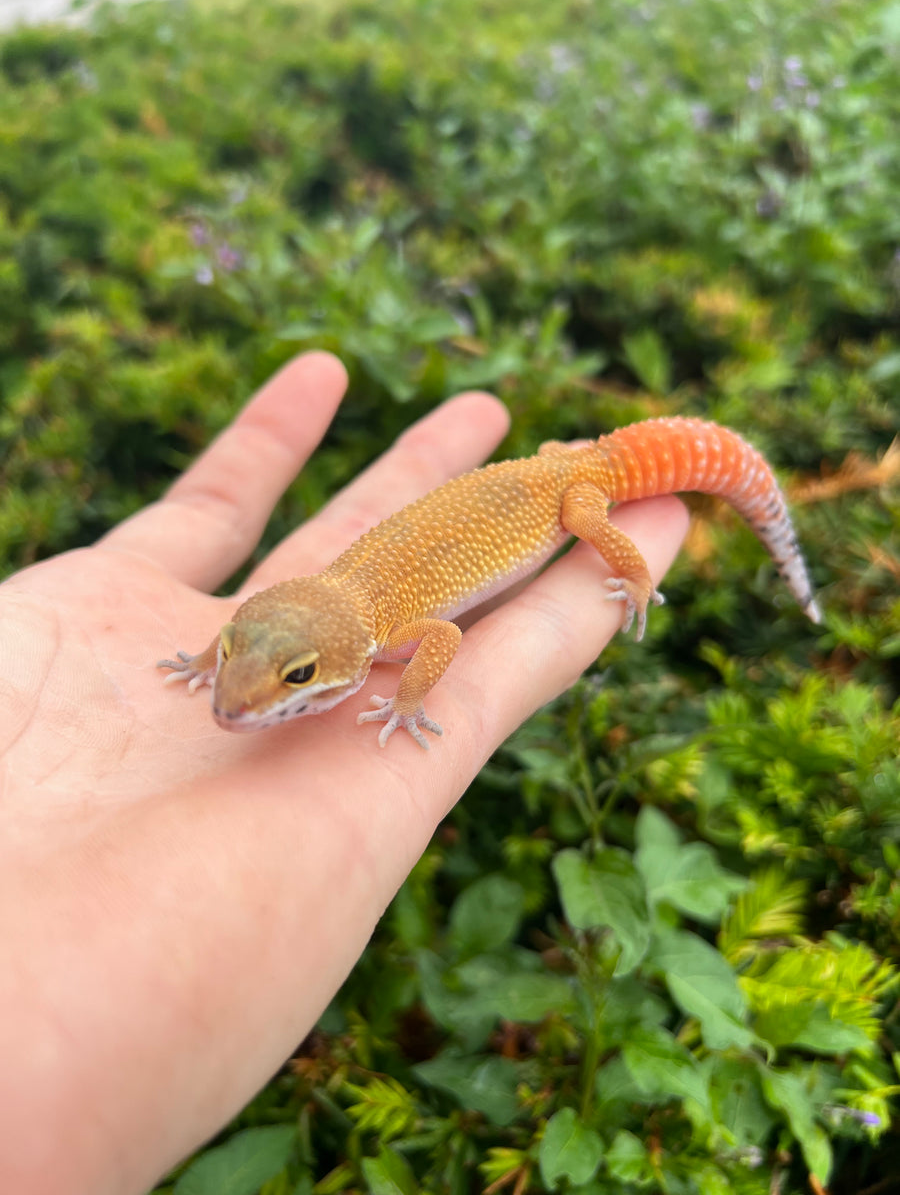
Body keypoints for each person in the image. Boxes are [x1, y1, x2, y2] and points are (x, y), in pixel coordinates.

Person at [0, 351, 688, 1194]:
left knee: (601, 524)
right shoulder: (313, 610)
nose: (234, 708)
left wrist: (409, 703)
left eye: (290, 682)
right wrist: (211, 657)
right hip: (545, 470)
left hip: (575, 482)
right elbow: (257, 638)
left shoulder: (390, 632)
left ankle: (653, 560)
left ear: (350, 662)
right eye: (231, 658)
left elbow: (443, 640)